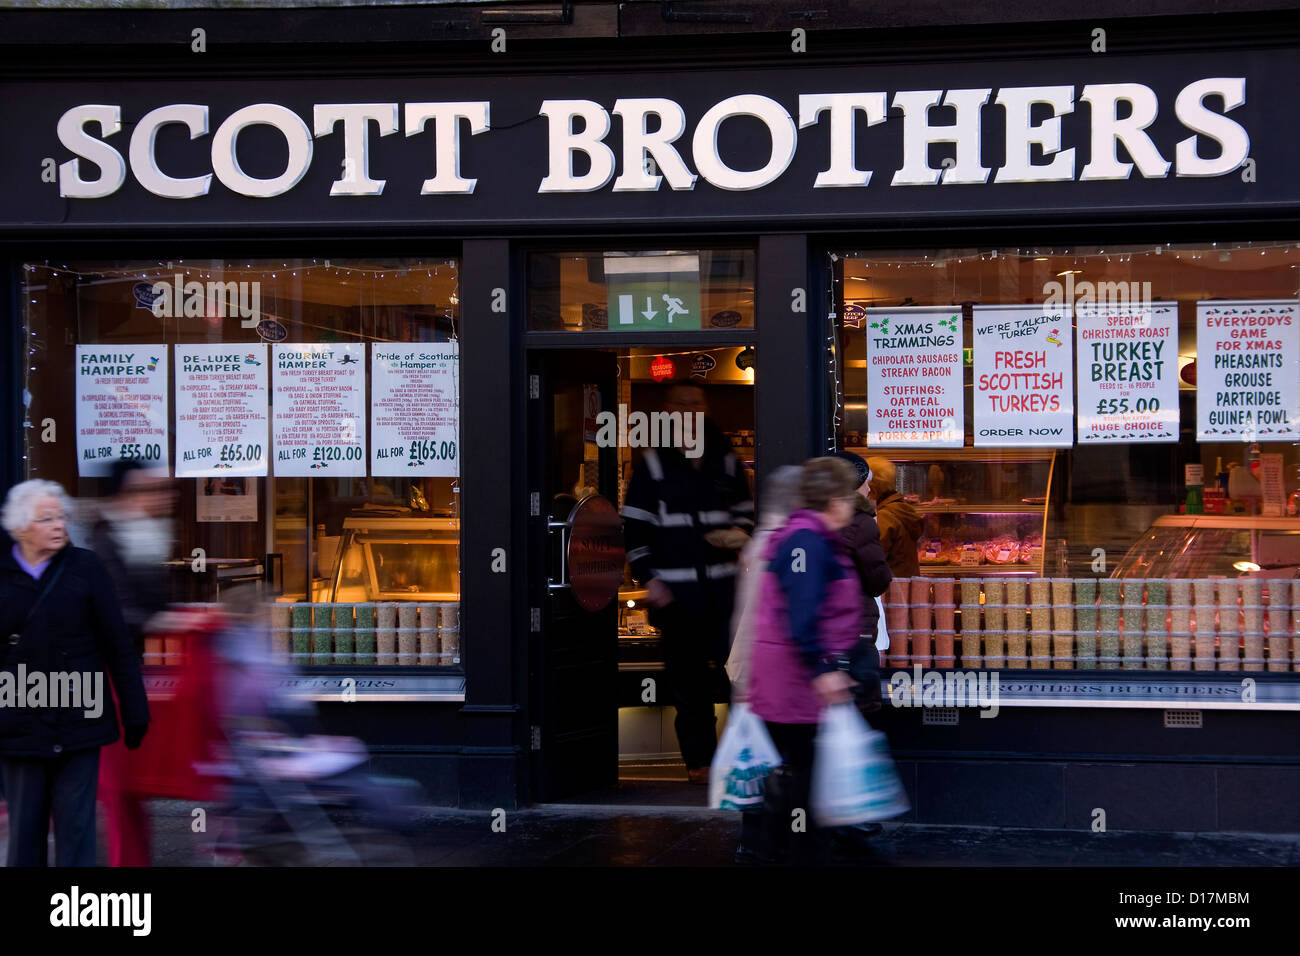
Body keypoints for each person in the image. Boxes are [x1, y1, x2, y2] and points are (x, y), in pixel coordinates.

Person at [0, 479, 150, 866]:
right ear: (20, 527)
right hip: (19, 719)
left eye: (61, 516)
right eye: (45, 518)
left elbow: (117, 642)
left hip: (79, 717)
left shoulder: (85, 566)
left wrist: (135, 710)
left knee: (77, 830)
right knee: (25, 833)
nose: (57, 525)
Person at [622, 379, 754, 784]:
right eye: (681, 403)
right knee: (689, 685)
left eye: (696, 403)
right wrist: (649, 578)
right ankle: (700, 765)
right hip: (677, 595)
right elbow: (634, 527)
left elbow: (749, 512)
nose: (689, 410)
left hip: (725, 590)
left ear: (706, 408)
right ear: (667, 410)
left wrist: (740, 533)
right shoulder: (654, 463)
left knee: (738, 679)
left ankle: (742, 758)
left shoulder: (726, 458)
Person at [747, 457, 863, 864]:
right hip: (794, 685)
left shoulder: (809, 536)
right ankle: (780, 851)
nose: (853, 503)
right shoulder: (806, 541)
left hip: (792, 682)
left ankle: (775, 850)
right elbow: (802, 616)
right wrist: (824, 670)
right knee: (803, 781)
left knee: (801, 778)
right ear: (834, 500)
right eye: (849, 496)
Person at [91, 460, 176, 866]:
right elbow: (116, 607)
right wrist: (167, 620)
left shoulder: (145, 535)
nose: (161, 497)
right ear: (124, 496)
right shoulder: (104, 539)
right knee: (116, 783)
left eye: (162, 489)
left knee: (129, 783)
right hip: (102, 676)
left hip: (129, 673)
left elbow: (150, 604)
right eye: (149, 490)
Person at [725, 464, 802, 863]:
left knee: (760, 760)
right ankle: (761, 842)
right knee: (773, 762)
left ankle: (756, 841)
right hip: (769, 673)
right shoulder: (782, 546)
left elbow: (743, 616)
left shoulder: (761, 543)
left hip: (753, 670)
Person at [866, 457, 923, 578]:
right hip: (907, 585)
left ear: (873, 487)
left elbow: (875, 559)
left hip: (893, 589)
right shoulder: (902, 509)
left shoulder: (886, 516)